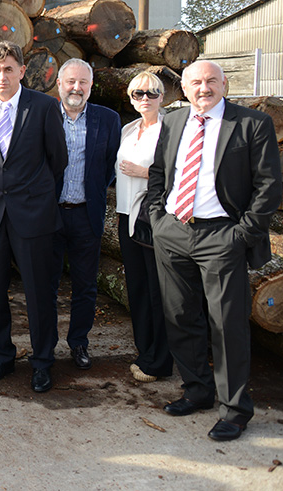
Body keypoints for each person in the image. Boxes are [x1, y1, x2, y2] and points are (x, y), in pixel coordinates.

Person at [147, 60, 282, 441]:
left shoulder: (252, 124)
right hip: (174, 231)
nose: (202, 88)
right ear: (184, 88)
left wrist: (241, 235)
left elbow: (269, 186)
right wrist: (159, 220)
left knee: (227, 324)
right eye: (195, 82)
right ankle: (197, 390)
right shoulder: (173, 122)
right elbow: (159, 173)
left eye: (210, 81)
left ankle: (235, 409)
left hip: (222, 237)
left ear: (224, 84)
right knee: (180, 316)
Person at [0, 41, 67, 393]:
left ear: (22, 71)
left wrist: (31, 193)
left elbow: (58, 160)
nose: (2, 76)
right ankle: (2, 357)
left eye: (9, 69)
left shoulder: (44, 107)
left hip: (33, 214)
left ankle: (42, 361)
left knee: (38, 292)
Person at [50, 59, 120, 370]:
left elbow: (109, 167)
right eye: (71, 82)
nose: (76, 88)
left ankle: (78, 342)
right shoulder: (44, 116)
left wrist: (91, 194)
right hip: (48, 215)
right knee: (45, 285)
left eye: (83, 83)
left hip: (86, 215)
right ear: (59, 85)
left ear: (91, 86)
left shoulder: (108, 119)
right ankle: (46, 344)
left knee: (85, 285)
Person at [115, 71, 173, 383]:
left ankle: (161, 360)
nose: (145, 98)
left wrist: (144, 171)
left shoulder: (170, 129)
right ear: (130, 97)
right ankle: (145, 351)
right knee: (137, 287)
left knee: (157, 290)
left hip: (153, 218)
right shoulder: (129, 129)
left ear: (163, 97)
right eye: (138, 93)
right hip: (127, 216)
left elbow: (180, 173)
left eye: (152, 93)